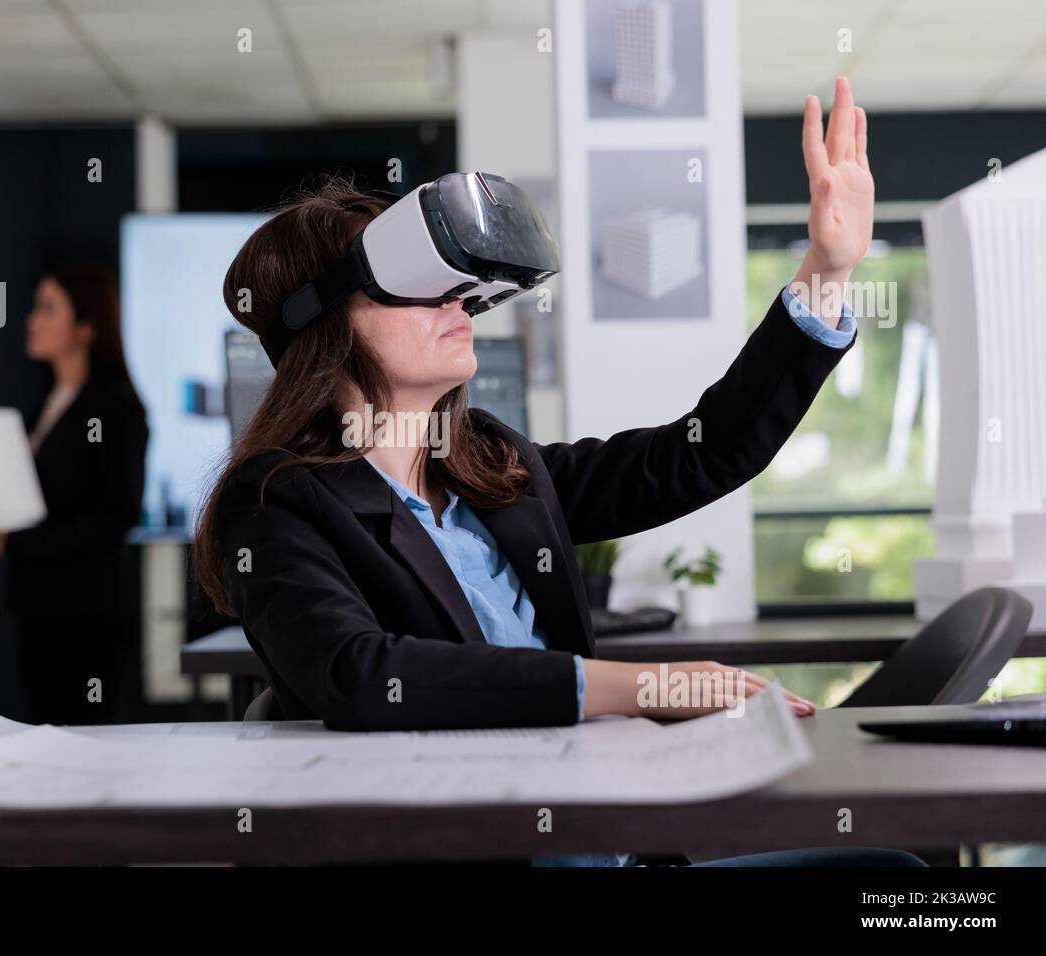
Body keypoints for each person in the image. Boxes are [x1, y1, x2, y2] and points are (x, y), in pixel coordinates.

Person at [193, 78, 920, 866]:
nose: (460, 302)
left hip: (607, 837)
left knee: (896, 876)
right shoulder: (275, 503)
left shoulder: (492, 464)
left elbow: (700, 454)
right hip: (494, 856)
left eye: (461, 284)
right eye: (417, 285)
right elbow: (361, 674)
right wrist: (644, 688)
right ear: (322, 324)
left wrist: (825, 272)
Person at [0, 266, 148, 726]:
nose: (32, 320)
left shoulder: (116, 407)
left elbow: (117, 515)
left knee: (80, 741)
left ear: (85, 327)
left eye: (48, 309)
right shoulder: (47, 405)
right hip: (37, 608)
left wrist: (18, 540)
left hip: (83, 616)